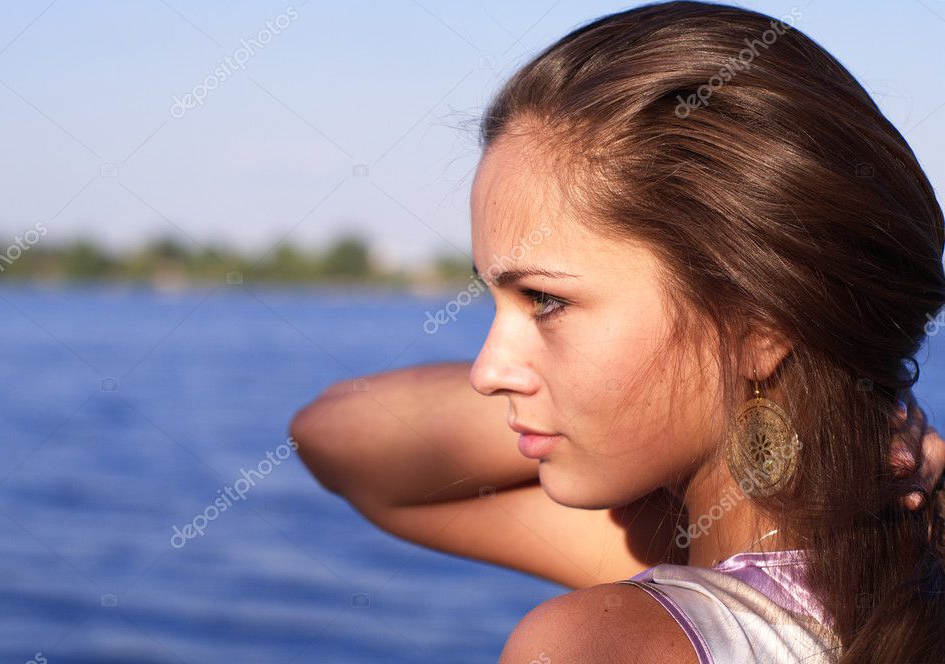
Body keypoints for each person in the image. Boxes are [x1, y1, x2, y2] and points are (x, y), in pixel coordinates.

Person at [291, 2, 945, 661]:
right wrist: (843, 427)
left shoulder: (600, 642)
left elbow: (339, 439)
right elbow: (336, 436)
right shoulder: (898, 571)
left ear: (762, 326)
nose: (486, 370)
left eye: (544, 299)